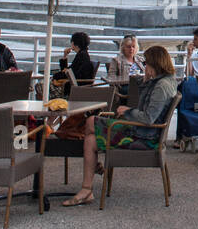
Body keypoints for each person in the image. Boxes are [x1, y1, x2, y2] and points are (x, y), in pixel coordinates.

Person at [63, 45, 177, 206]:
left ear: (155, 64)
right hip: (144, 132)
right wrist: (145, 82)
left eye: (147, 64)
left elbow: (148, 118)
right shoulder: (166, 81)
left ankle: (88, 185)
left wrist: (128, 111)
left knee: (90, 123)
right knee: (90, 140)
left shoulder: (161, 87)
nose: (145, 66)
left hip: (143, 136)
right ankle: (86, 188)